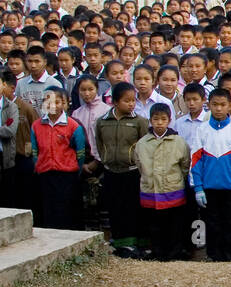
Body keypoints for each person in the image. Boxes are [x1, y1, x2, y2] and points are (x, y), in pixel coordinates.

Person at [189, 87, 231, 263]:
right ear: (208, 105)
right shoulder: (201, 130)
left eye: (222, 104)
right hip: (209, 188)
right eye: (214, 104)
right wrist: (198, 187)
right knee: (212, 224)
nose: (218, 108)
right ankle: (213, 256)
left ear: (230, 105)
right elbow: (195, 160)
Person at [94, 81, 149, 256]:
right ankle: (120, 242)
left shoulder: (139, 122)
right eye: (127, 101)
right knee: (115, 207)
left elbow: (144, 146)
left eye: (133, 100)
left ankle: (136, 244)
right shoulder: (102, 122)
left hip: (132, 172)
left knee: (133, 207)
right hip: (111, 171)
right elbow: (100, 144)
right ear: (115, 102)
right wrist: (106, 160)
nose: (131, 104)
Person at [132, 103, 190, 260]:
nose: (159, 123)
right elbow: (139, 164)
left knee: (174, 224)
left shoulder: (178, 141)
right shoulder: (142, 143)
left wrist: (176, 179)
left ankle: (174, 253)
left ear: (169, 120)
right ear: (150, 120)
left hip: (173, 189)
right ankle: (158, 252)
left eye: (163, 119)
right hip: (150, 190)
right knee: (154, 224)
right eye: (155, 119)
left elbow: (185, 165)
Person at [31, 86, 87, 230]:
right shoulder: (36, 125)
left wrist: (76, 170)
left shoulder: (73, 126)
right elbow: (35, 150)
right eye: (47, 101)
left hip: (67, 175)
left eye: (57, 102)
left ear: (65, 103)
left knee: (67, 209)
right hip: (45, 174)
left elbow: (80, 153)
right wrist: (39, 166)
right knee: (49, 209)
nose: (52, 105)